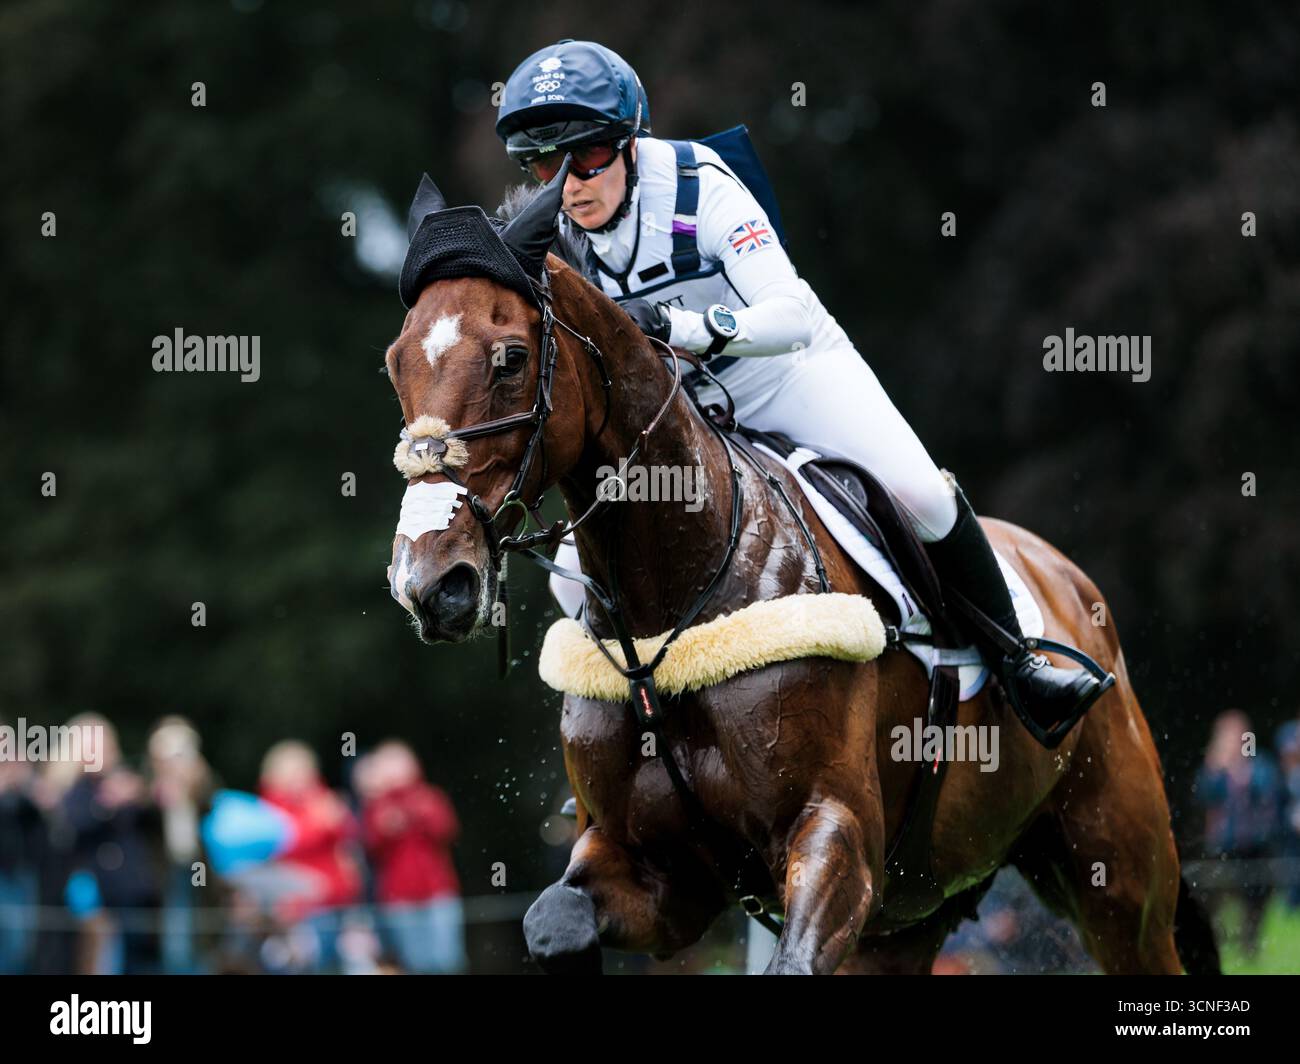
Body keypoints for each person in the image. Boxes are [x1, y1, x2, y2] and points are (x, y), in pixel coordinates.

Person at [493, 39, 1105, 736]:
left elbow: (784, 317)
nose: (569, 183)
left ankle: (1019, 663)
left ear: (633, 141)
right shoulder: (551, 230)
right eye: (544, 163)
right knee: (571, 567)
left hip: (784, 372)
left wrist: (676, 324)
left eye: (588, 156)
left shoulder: (701, 186)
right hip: (678, 415)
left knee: (921, 494)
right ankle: (632, 730)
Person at [355, 741, 466, 974]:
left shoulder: (429, 797)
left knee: (447, 959)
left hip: (437, 892)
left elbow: (446, 830)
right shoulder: (376, 806)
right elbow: (369, 846)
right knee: (415, 962)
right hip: (399, 899)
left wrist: (409, 814)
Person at [258, 741, 362, 972]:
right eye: (290, 772)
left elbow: (349, 834)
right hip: (296, 910)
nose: (298, 778)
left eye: (302, 770)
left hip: (340, 902)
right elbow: (286, 841)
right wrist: (320, 823)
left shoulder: (325, 798)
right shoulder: (267, 810)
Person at [1196, 709, 1283, 956]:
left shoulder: (1256, 763)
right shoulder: (1215, 767)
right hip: (1226, 844)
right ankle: (1219, 940)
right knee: (1218, 893)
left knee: (1257, 895)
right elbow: (1205, 796)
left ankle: (1250, 941)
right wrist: (1215, 769)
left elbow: (1266, 787)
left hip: (1255, 843)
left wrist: (1242, 768)